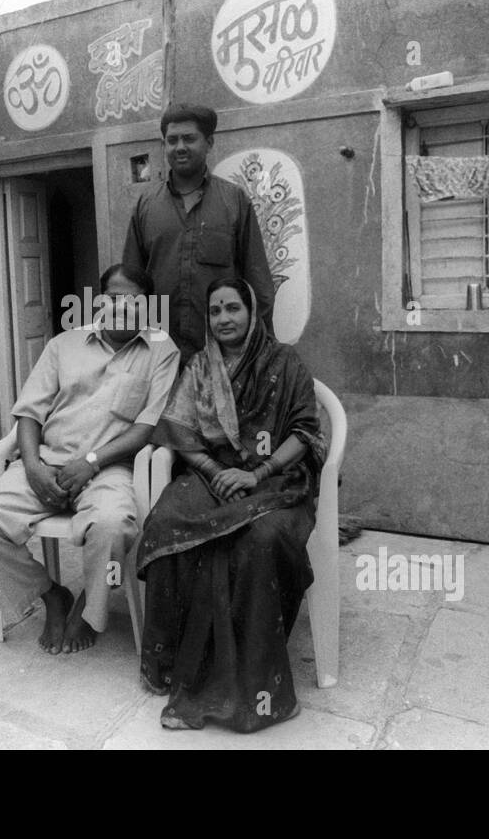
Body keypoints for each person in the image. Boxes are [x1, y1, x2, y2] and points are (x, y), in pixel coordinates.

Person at [136, 277, 327, 732]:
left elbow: (305, 432)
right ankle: (173, 663)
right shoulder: (200, 366)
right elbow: (180, 432)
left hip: (276, 480)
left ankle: (254, 688)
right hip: (213, 474)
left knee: (259, 539)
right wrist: (213, 471)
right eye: (215, 311)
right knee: (166, 522)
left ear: (252, 313)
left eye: (232, 308)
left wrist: (256, 473)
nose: (224, 319)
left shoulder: (285, 362)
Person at [0, 265, 180, 655]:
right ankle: (51, 595)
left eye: (134, 299)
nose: (123, 306)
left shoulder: (162, 351)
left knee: (113, 525)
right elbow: (29, 413)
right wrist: (32, 466)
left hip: (110, 468)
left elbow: (146, 427)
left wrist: (92, 461)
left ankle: (90, 609)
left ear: (147, 305)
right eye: (115, 297)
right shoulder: (63, 345)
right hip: (47, 460)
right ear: (100, 300)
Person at [122, 103, 276, 356]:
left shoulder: (234, 201)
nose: (180, 147)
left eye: (189, 138)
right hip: (160, 352)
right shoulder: (145, 205)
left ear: (209, 142)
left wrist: (261, 347)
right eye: (172, 140)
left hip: (221, 351)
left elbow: (257, 280)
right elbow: (130, 282)